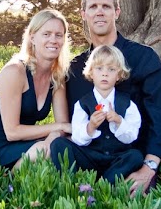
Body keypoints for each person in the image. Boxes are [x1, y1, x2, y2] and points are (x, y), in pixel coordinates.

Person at [50, 0, 161, 195]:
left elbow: (160, 114)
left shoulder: (144, 58)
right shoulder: (75, 68)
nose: (99, 11)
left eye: (106, 6)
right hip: (88, 158)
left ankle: (104, 188)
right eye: (93, 6)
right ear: (84, 14)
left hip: (132, 159)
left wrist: (149, 167)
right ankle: (84, 189)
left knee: (129, 197)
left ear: (117, 12)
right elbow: (72, 123)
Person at [0, 8, 73, 171]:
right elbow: (12, 132)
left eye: (58, 35)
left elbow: (62, 124)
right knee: (43, 150)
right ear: (32, 37)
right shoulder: (15, 71)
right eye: (46, 34)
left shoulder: (57, 76)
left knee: (56, 144)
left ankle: (16, 178)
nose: (53, 40)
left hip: (22, 146)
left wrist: (54, 135)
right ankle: (5, 183)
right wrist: (57, 129)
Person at [59, 44, 143, 183]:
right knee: (59, 144)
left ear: (119, 75)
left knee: (136, 156)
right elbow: (78, 137)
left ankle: (103, 185)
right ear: (91, 73)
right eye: (99, 68)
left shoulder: (127, 104)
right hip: (90, 157)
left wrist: (118, 120)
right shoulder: (82, 104)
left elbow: (131, 136)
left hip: (116, 158)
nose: (105, 73)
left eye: (111, 69)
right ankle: (71, 184)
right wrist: (90, 126)